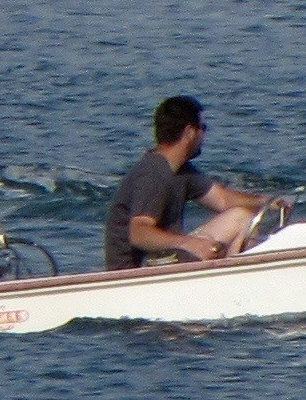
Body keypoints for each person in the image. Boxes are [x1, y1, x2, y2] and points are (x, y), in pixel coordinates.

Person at [104, 95, 275, 271]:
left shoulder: (182, 171)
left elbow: (222, 199)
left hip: (160, 259)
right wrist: (189, 243)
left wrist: (267, 202)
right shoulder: (154, 173)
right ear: (189, 133)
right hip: (134, 272)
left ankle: (234, 273)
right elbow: (138, 233)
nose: (204, 135)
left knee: (241, 217)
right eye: (203, 128)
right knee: (240, 219)